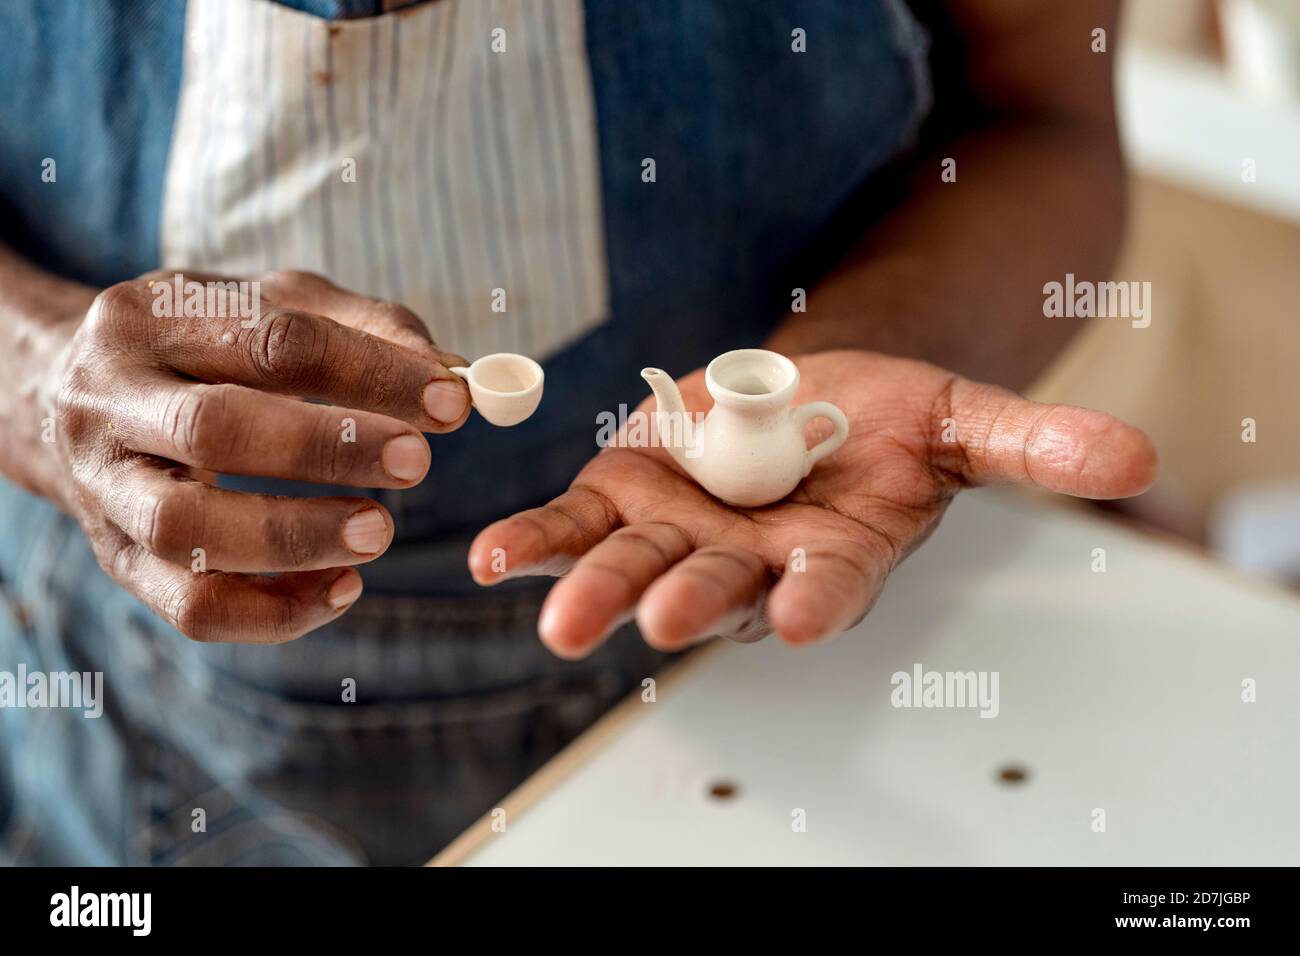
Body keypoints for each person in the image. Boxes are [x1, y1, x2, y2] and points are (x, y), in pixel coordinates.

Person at [0, 0, 1154, 864]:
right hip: (146, 683)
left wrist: (859, 346)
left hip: (793, 651)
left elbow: (1041, 111)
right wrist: (36, 365)